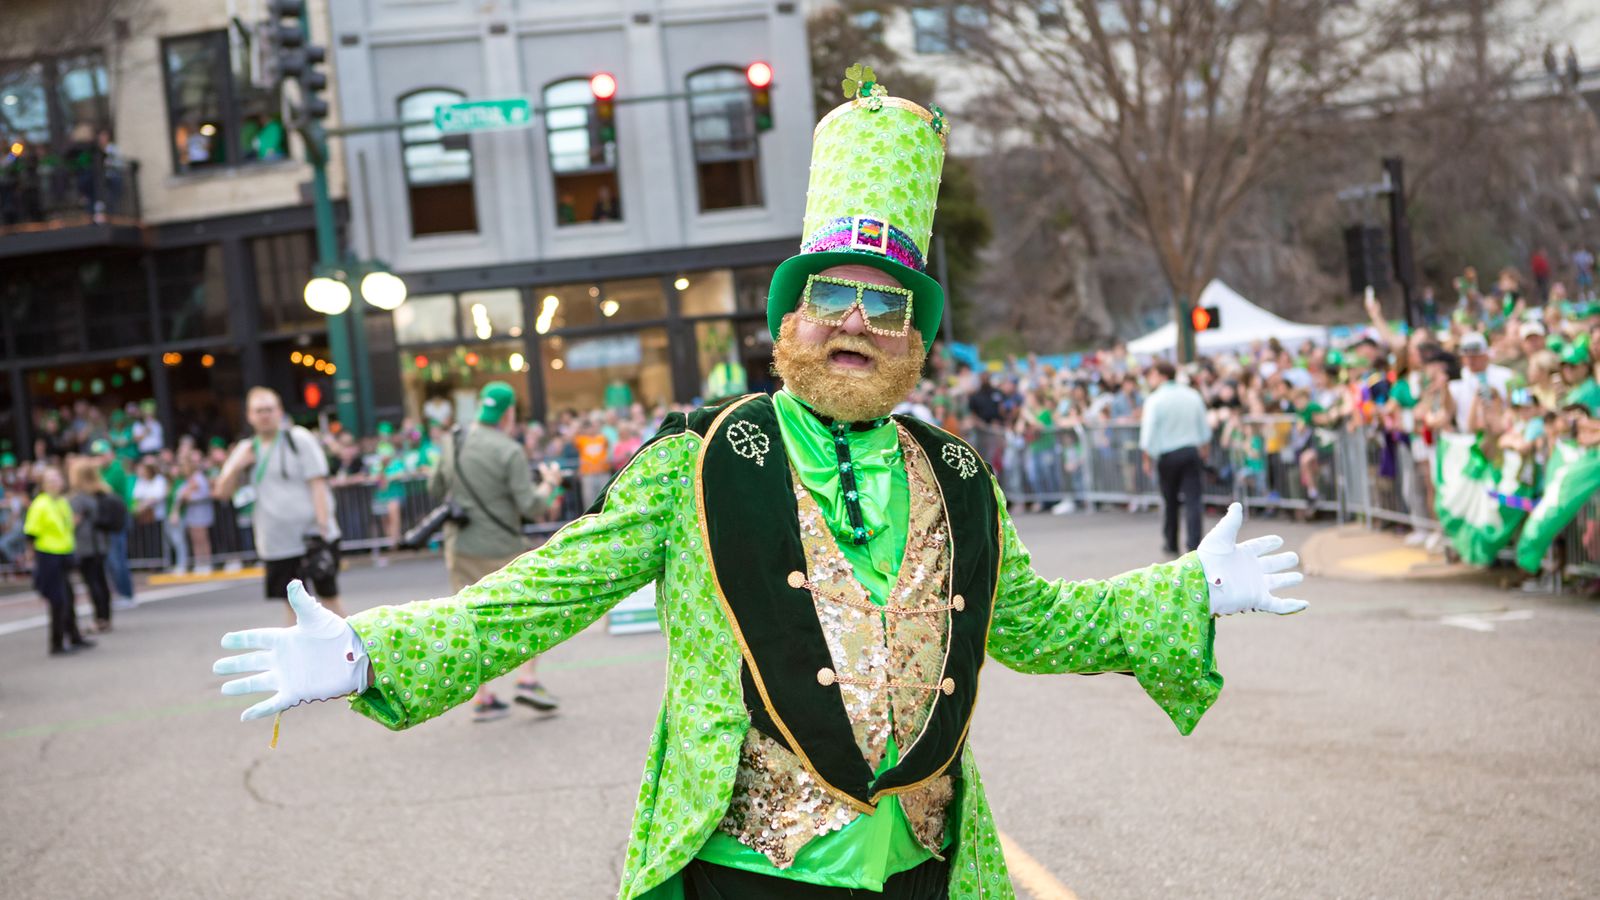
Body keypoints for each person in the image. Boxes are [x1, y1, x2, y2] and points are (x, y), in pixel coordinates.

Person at [215, 73, 1306, 899]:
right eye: (829, 295)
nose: (854, 321)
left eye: (887, 305)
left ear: (917, 341)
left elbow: (1033, 623)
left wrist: (1187, 590)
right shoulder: (698, 460)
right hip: (752, 874)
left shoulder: (958, 478)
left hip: (921, 869)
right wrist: (371, 652)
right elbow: (541, 593)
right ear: (787, 319)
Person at [433, 382, 563, 721]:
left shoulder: (452, 441)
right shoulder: (509, 450)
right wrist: (550, 482)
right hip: (501, 547)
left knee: (470, 620)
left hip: (459, 545)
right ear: (509, 413)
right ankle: (527, 679)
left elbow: (435, 487)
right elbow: (531, 505)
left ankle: (482, 697)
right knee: (531, 609)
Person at [216, 387, 342, 624]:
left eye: (269, 409)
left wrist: (323, 529)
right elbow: (221, 492)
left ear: (280, 411)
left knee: (329, 602)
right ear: (249, 415)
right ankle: (300, 650)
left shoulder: (298, 438)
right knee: (293, 607)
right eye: (259, 410)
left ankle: (352, 648)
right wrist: (236, 466)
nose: (265, 415)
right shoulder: (246, 448)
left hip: (312, 536)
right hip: (277, 543)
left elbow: (318, 484)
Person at [1140, 359, 1213, 555]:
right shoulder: (1191, 395)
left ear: (1162, 375)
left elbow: (1148, 433)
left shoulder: (1155, 399)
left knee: (1170, 501)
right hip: (1190, 452)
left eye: (1152, 375)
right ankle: (1194, 545)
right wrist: (1205, 449)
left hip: (1168, 455)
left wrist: (1146, 457)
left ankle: (1171, 542)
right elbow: (1204, 427)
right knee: (1193, 501)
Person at [26, 466, 94, 656]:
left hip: (64, 553)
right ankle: (56, 643)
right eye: (50, 479)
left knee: (69, 597)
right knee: (58, 599)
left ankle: (74, 636)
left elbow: (67, 526)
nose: (55, 482)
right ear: (43, 484)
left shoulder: (62, 502)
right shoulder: (40, 504)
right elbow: (30, 533)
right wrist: (31, 557)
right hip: (48, 555)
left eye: (57, 478)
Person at [67, 459, 115, 632]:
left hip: (85, 545)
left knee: (92, 582)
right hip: (100, 542)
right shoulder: (101, 492)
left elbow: (73, 522)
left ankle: (100, 619)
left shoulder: (79, 498)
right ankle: (105, 617)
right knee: (101, 580)